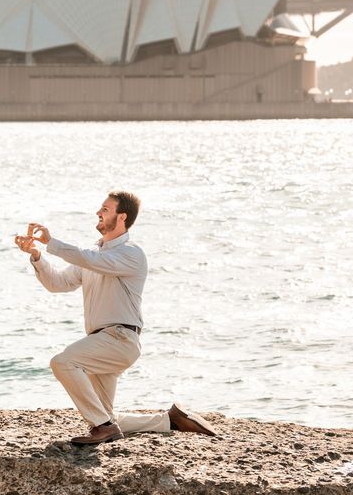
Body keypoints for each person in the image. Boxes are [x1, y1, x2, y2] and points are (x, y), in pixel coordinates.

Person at [14, 191, 216, 445]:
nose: (99, 212)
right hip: (102, 342)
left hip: (119, 339)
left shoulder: (131, 253)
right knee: (106, 415)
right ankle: (170, 420)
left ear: (122, 217)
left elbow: (90, 259)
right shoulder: (93, 255)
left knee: (63, 362)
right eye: (100, 208)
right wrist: (36, 255)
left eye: (105, 210)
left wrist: (51, 242)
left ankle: (104, 427)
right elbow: (59, 283)